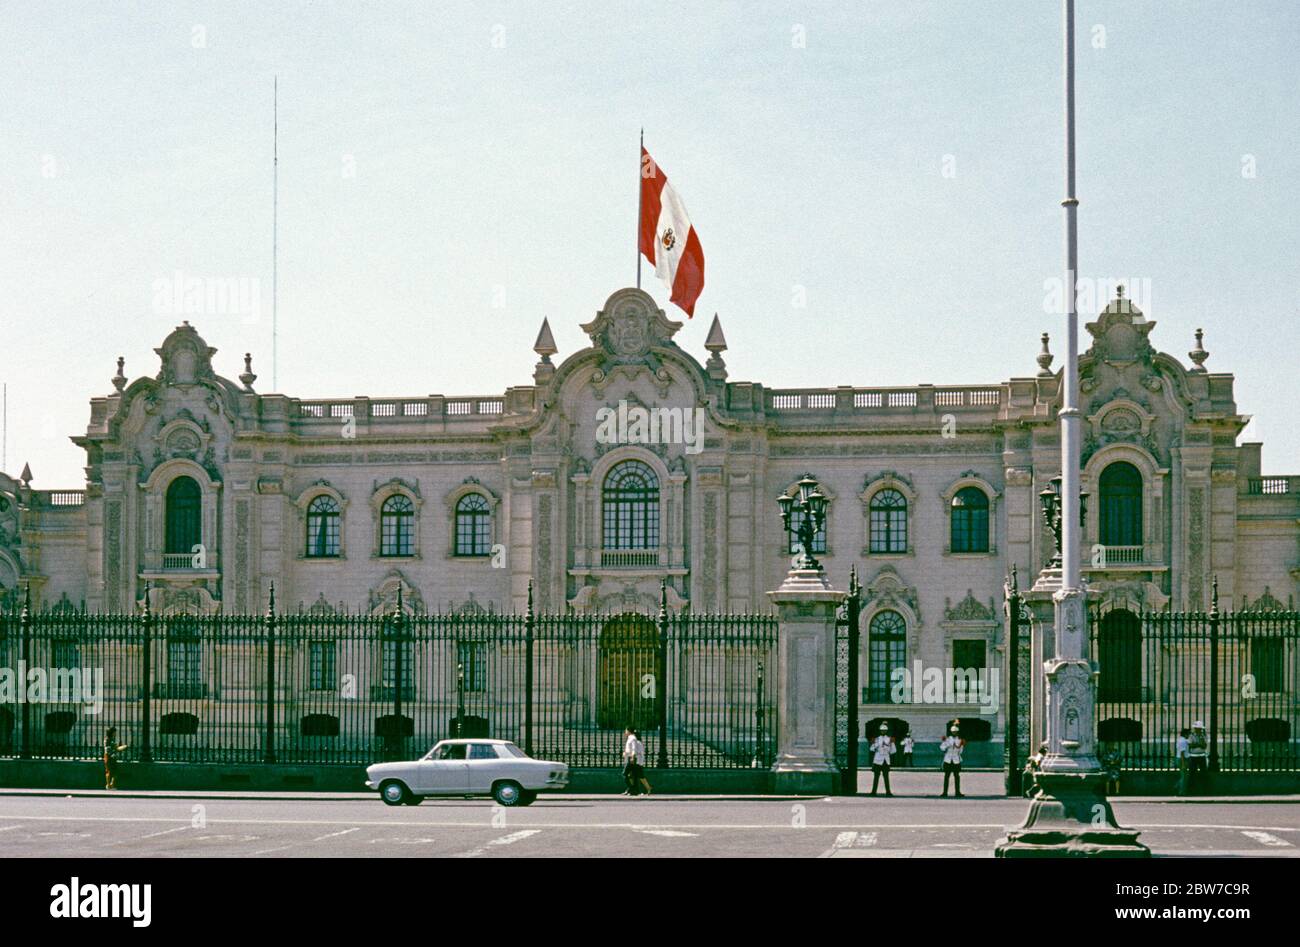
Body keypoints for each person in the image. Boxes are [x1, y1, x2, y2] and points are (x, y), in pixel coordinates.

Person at [869, 723, 895, 797]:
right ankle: (873, 792)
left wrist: (889, 748)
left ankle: (888, 792)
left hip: (885, 760)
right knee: (876, 777)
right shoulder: (876, 739)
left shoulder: (890, 739)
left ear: (886, 731)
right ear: (880, 731)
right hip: (877, 760)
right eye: (882, 730)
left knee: (886, 777)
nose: (883, 732)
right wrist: (877, 746)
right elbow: (871, 749)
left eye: (884, 730)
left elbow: (893, 751)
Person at [939, 723, 965, 798]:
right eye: (953, 732)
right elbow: (942, 747)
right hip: (948, 759)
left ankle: (957, 792)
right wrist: (947, 746)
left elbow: (961, 751)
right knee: (946, 776)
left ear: (957, 732)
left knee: (957, 776)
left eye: (955, 732)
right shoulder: (947, 739)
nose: (954, 733)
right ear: (951, 732)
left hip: (956, 760)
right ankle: (944, 792)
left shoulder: (960, 740)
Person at [1186, 721, 1209, 794]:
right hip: (1193, 756)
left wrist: (1197, 744)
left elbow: (1204, 746)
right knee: (1192, 774)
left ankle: (1205, 790)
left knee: (1203, 773)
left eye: (1199, 728)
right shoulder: (1191, 735)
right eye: (1196, 728)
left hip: (1201, 756)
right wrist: (1199, 744)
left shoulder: (1204, 736)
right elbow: (1190, 745)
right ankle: (1190, 790)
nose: (1198, 730)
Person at [629, 728, 651, 796]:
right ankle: (646, 788)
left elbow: (636, 752)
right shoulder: (639, 742)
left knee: (636, 776)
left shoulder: (637, 743)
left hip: (637, 762)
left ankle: (646, 788)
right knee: (637, 776)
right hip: (638, 762)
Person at [1175, 728, 1191, 796]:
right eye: (1188, 734)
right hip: (1183, 760)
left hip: (1180, 759)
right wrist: (1184, 763)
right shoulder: (1183, 741)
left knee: (1184, 776)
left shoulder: (1181, 740)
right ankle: (1181, 791)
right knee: (1184, 777)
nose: (1189, 735)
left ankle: (1177, 786)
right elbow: (1182, 753)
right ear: (1185, 734)